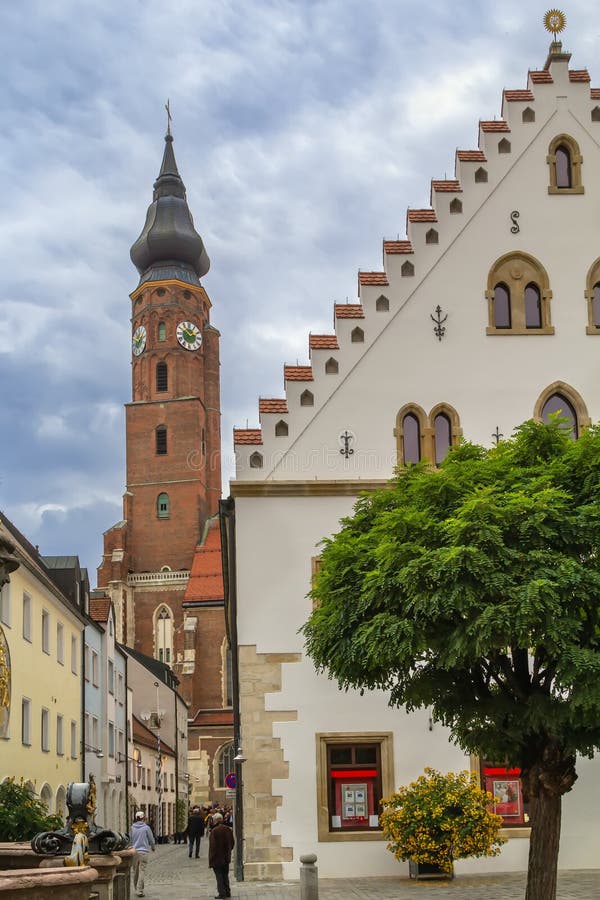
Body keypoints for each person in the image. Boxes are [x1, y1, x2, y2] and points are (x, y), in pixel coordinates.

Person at [208, 811, 235, 899]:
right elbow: (232, 843)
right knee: (225, 875)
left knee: (219, 876)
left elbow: (213, 846)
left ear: (215, 820)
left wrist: (211, 858)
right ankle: (227, 892)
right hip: (226, 857)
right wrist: (228, 851)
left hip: (217, 858)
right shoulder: (228, 829)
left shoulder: (214, 831)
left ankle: (222, 893)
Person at [130, 811, 156, 898]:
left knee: (135, 871)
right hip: (143, 852)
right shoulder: (146, 828)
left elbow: (130, 840)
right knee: (142, 871)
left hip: (134, 852)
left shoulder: (132, 828)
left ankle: (136, 888)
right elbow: (151, 839)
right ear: (143, 818)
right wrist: (153, 846)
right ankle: (139, 890)